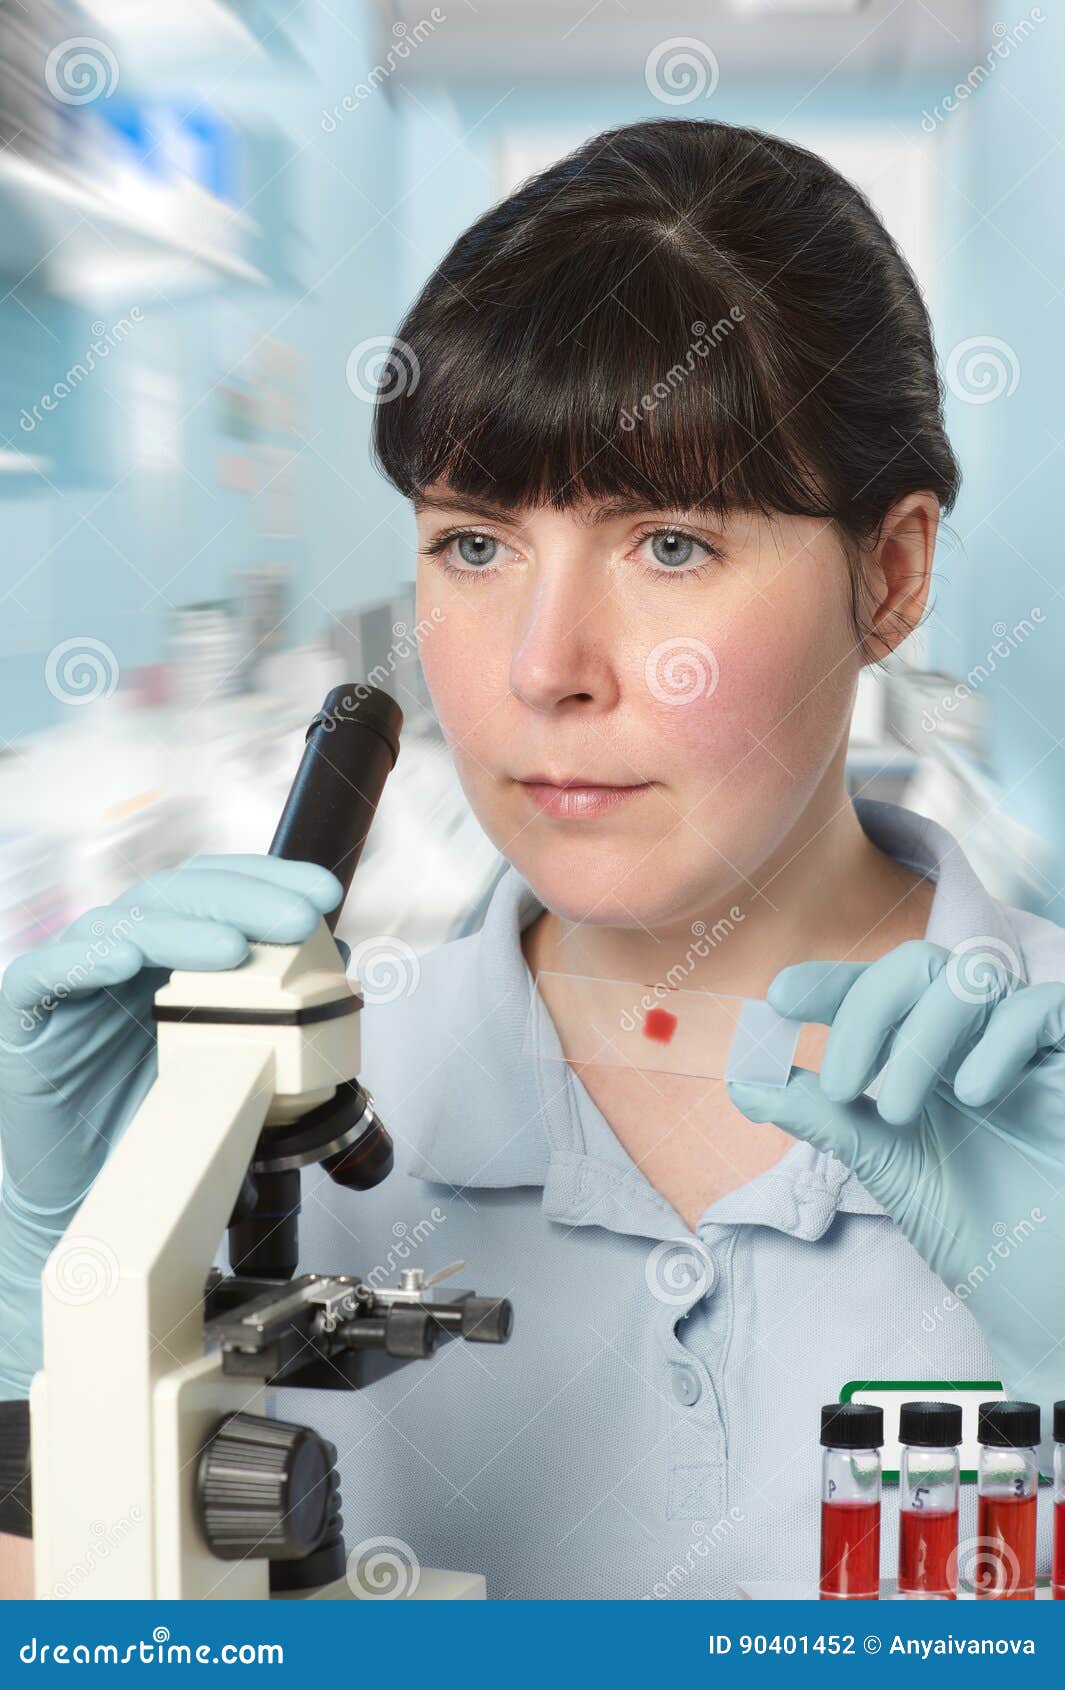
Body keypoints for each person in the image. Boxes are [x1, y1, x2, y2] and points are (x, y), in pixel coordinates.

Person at [2, 118, 1064, 1601]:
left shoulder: (1040, 1108)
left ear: (889, 574)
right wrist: (61, 1340)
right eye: (475, 544)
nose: (542, 667)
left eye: (671, 543)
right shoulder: (280, 1119)